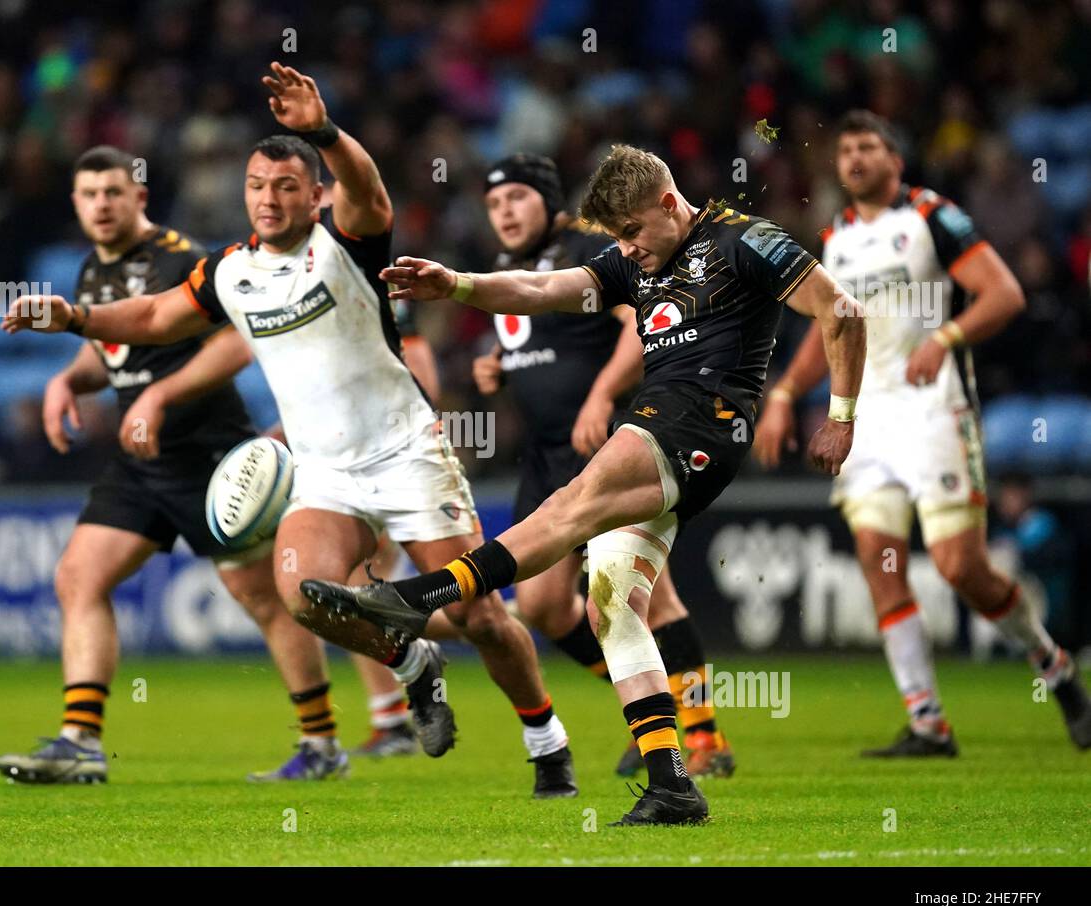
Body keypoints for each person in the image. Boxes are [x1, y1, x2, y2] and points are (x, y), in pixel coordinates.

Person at [3, 63, 578, 799]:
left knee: (477, 613)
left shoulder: (349, 244)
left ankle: (545, 738)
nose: (268, 199)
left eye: (284, 186)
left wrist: (325, 132)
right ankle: (411, 667)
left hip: (408, 454)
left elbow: (370, 191)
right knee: (305, 594)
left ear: (314, 195)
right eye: (256, 186)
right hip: (323, 472)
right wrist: (74, 317)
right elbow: (149, 317)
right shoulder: (230, 271)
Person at [300, 144, 867, 825]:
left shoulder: (744, 240)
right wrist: (455, 284)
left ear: (666, 203)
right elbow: (544, 290)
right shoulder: (637, 260)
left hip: (698, 421)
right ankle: (672, 784)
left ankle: (413, 599)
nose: (625, 249)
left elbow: (842, 311)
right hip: (666, 427)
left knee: (570, 506)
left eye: (630, 232)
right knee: (611, 607)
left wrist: (841, 417)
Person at [0, 145, 349, 785]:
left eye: (113, 193)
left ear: (140, 199)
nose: (101, 205)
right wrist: (66, 382)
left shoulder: (178, 260)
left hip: (210, 456)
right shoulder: (92, 273)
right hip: (139, 464)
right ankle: (80, 741)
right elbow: (111, 351)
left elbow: (237, 342)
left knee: (265, 601)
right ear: (75, 205)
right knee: (79, 576)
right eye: (89, 195)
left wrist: (160, 394)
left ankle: (321, 742)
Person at [754, 110, 1091, 753]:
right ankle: (927, 720)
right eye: (845, 148)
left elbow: (1004, 293)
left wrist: (947, 336)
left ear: (895, 159)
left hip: (935, 411)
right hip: (864, 420)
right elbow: (832, 327)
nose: (852, 158)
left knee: (960, 566)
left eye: (867, 147)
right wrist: (788, 392)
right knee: (881, 564)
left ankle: (1055, 666)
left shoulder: (932, 215)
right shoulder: (839, 237)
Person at [475, 152, 733, 779]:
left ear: (548, 200)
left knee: (645, 598)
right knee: (539, 606)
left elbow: (639, 323)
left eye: (516, 197)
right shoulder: (514, 267)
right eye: (493, 205)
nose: (504, 212)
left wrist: (599, 395)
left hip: (603, 445)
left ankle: (703, 737)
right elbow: (545, 342)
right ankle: (657, 707)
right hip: (544, 456)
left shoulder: (593, 244)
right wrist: (497, 365)